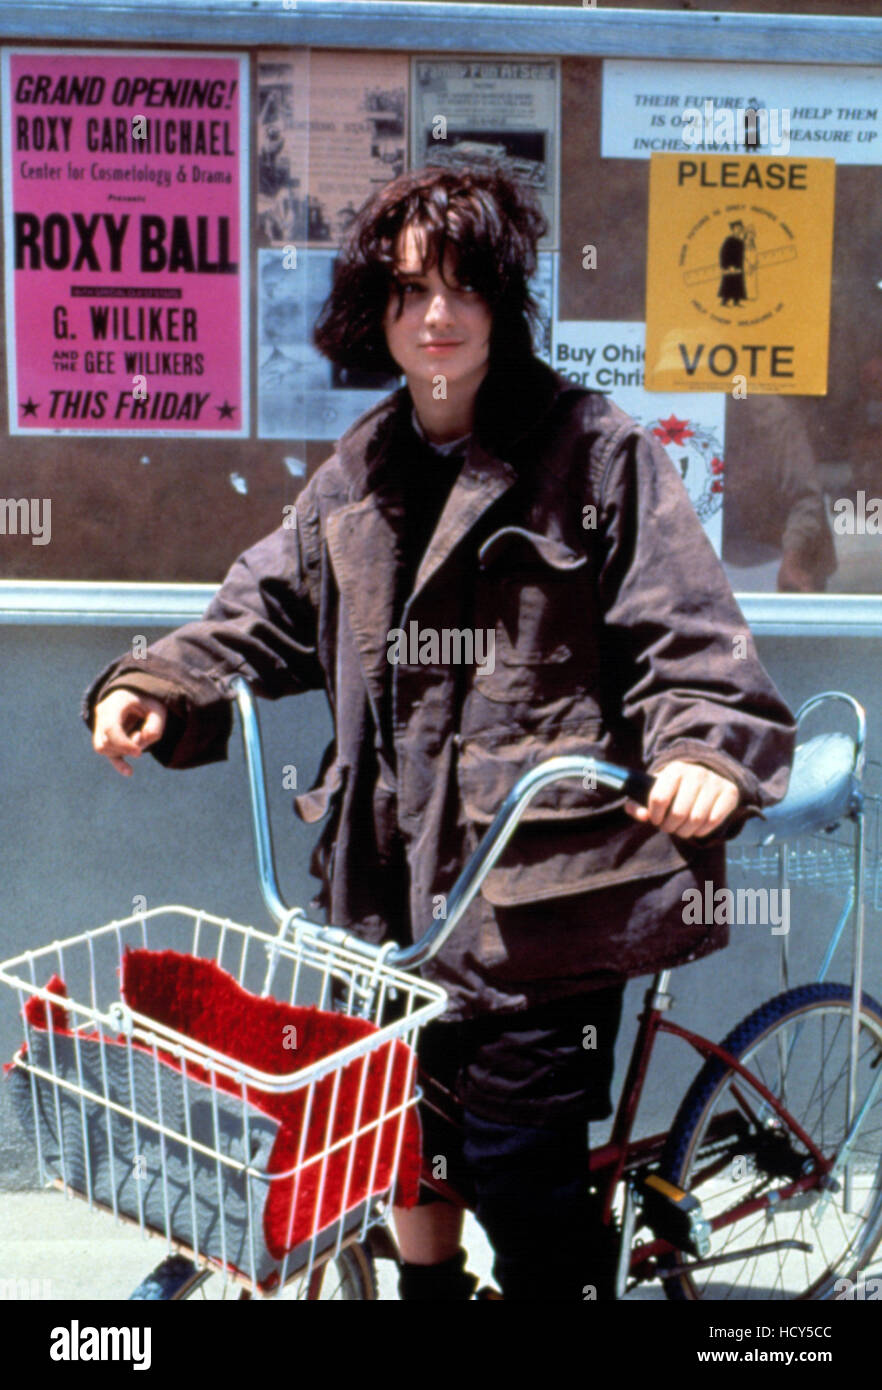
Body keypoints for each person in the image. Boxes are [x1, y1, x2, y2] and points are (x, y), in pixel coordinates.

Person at [85, 164, 795, 1301]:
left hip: (537, 912)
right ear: (378, 308)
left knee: (521, 1177)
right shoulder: (359, 469)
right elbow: (261, 607)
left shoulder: (595, 453)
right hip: (382, 898)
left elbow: (689, 637)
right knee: (393, 1141)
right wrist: (163, 683)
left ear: (503, 305)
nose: (436, 316)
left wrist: (704, 753)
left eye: (465, 288)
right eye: (411, 289)